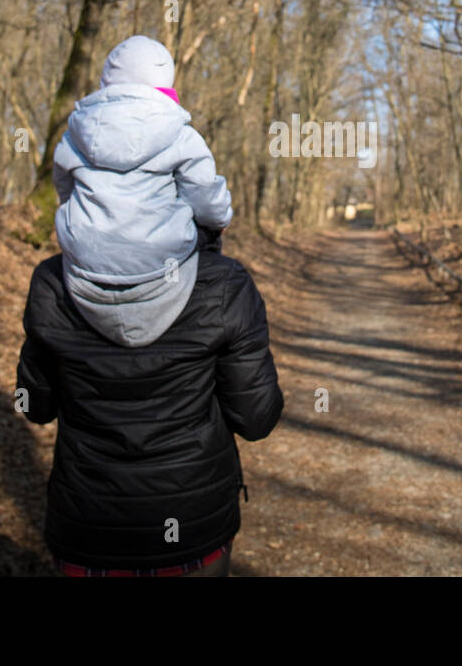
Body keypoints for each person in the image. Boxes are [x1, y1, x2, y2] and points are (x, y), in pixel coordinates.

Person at [16, 39, 282, 577]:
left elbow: (33, 405)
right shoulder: (223, 288)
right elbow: (256, 418)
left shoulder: (51, 284)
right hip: (192, 534)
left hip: (86, 533)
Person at [50, 34, 234, 348]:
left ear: (107, 85)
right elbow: (207, 203)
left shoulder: (74, 136)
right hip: (167, 272)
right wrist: (221, 217)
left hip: (86, 271)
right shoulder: (182, 136)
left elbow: (65, 191)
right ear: (166, 89)